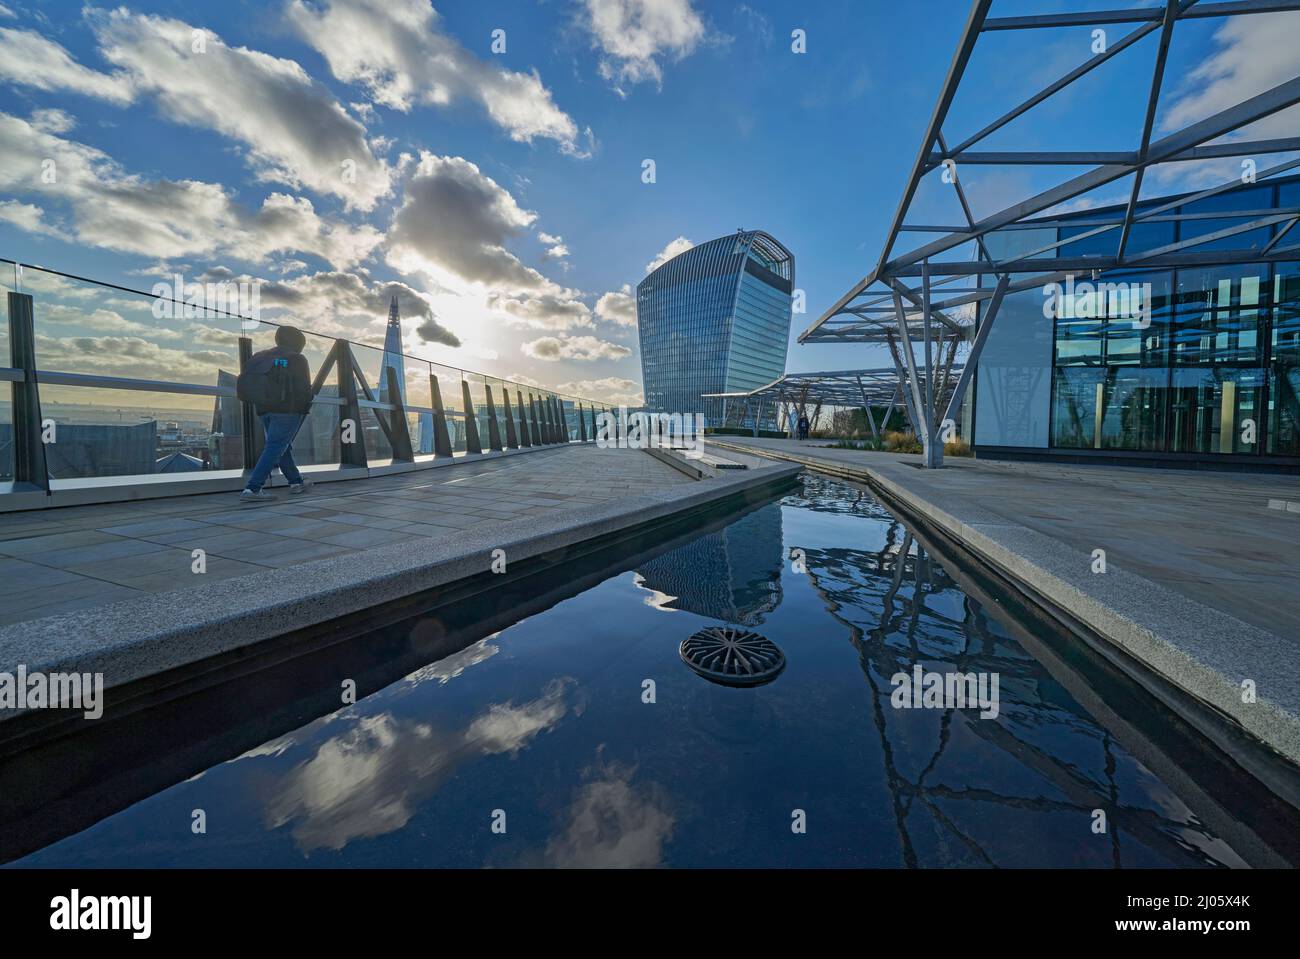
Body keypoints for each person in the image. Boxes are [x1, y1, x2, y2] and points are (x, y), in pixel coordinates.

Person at [237, 326, 314, 505]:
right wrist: (304, 406)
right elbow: (304, 389)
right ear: (298, 343)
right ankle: (253, 488)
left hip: (263, 409)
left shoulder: (261, 357)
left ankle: (296, 482)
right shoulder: (297, 359)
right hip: (287, 410)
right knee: (275, 447)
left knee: (281, 446)